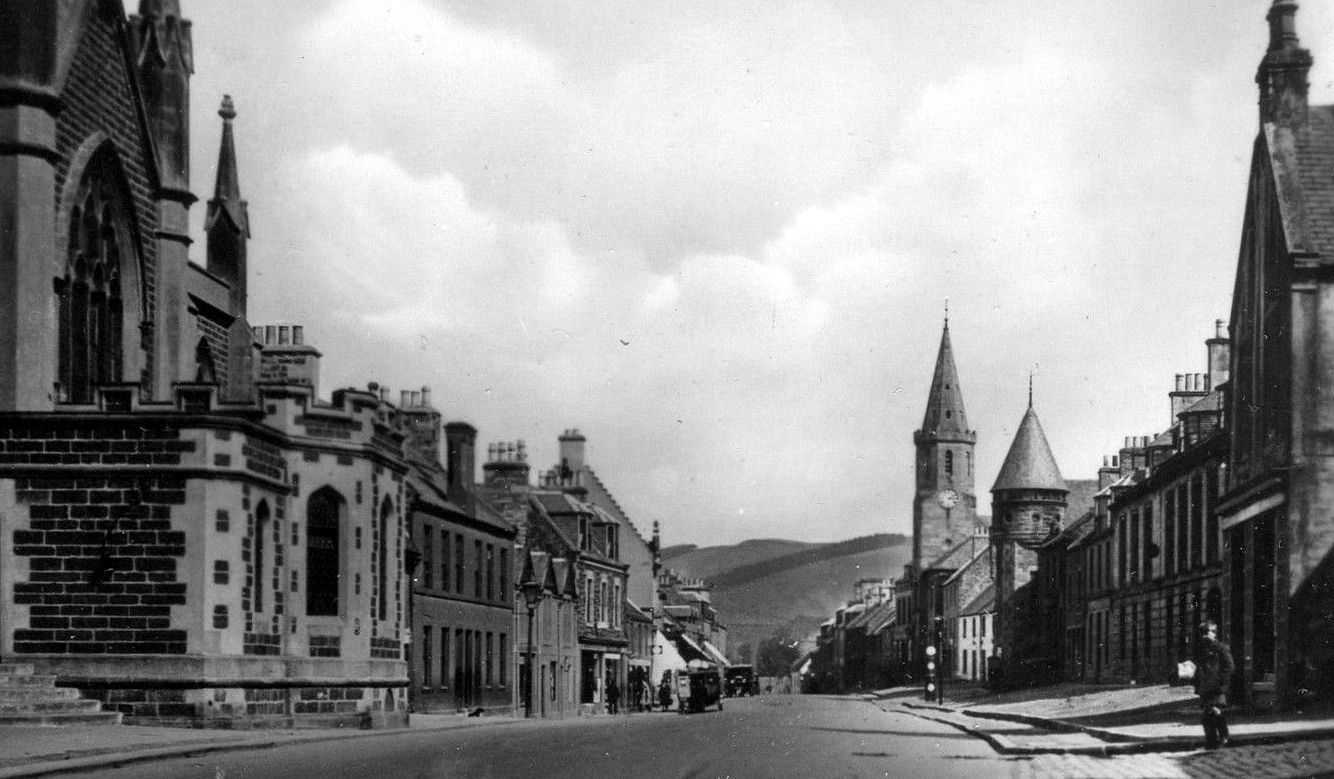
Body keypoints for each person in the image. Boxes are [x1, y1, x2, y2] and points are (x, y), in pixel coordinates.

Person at [1193, 619, 1234, 749]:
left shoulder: (1221, 648)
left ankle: (1224, 737)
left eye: (1207, 632)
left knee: (1215, 711)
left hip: (1217, 687)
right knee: (1206, 715)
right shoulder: (1201, 649)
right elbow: (1199, 668)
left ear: (1214, 633)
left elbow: (1229, 666)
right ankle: (1211, 741)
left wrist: (1221, 683)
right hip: (1205, 687)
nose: (1204, 635)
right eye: (1202, 632)